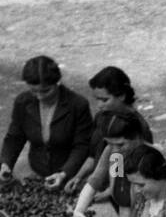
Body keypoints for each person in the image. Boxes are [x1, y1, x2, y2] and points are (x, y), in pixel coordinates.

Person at [0, 56, 93, 191]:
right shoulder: (23, 102)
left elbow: (82, 146)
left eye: (46, 90)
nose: (39, 96)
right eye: (33, 91)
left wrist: (64, 173)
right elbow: (14, 137)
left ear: (57, 83)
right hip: (37, 169)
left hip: (70, 173)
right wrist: (6, 164)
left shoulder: (78, 105)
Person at [64, 67, 153, 195]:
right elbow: (93, 156)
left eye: (105, 100)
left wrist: (111, 191)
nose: (99, 105)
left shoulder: (138, 128)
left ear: (121, 95)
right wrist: (78, 177)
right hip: (100, 184)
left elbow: (137, 172)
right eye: (97, 99)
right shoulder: (101, 117)